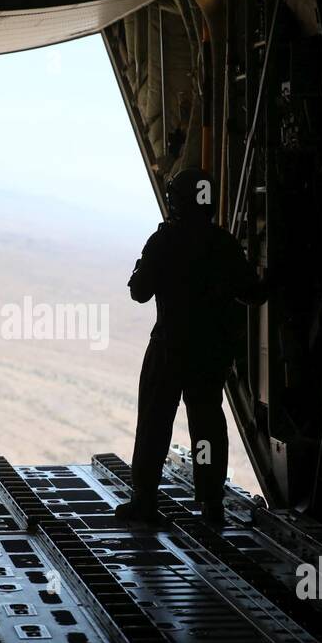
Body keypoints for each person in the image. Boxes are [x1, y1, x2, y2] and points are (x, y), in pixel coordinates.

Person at [116, 167, 269, 528]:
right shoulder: (223, 244)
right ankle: (211, 505)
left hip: (169, 347)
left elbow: (140, 292)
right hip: (208, 354)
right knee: (206, 427)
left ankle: (145, 500)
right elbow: (253, 294)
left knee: (155, 423)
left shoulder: (164, 241)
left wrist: (145, 266)